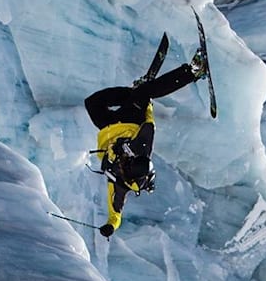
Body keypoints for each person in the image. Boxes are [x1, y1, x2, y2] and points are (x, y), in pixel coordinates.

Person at [84, 49, 207, 237]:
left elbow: (115, 213)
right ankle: (192, 72)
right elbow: (149, 124)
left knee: (93, 103)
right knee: (143, 94)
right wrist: (146, 104)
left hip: (108, 127)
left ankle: (133, 93)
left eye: (130, 162)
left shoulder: (119, 181)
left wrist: (110, 226)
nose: (129, 159)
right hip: (131, 119)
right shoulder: (142, 147)